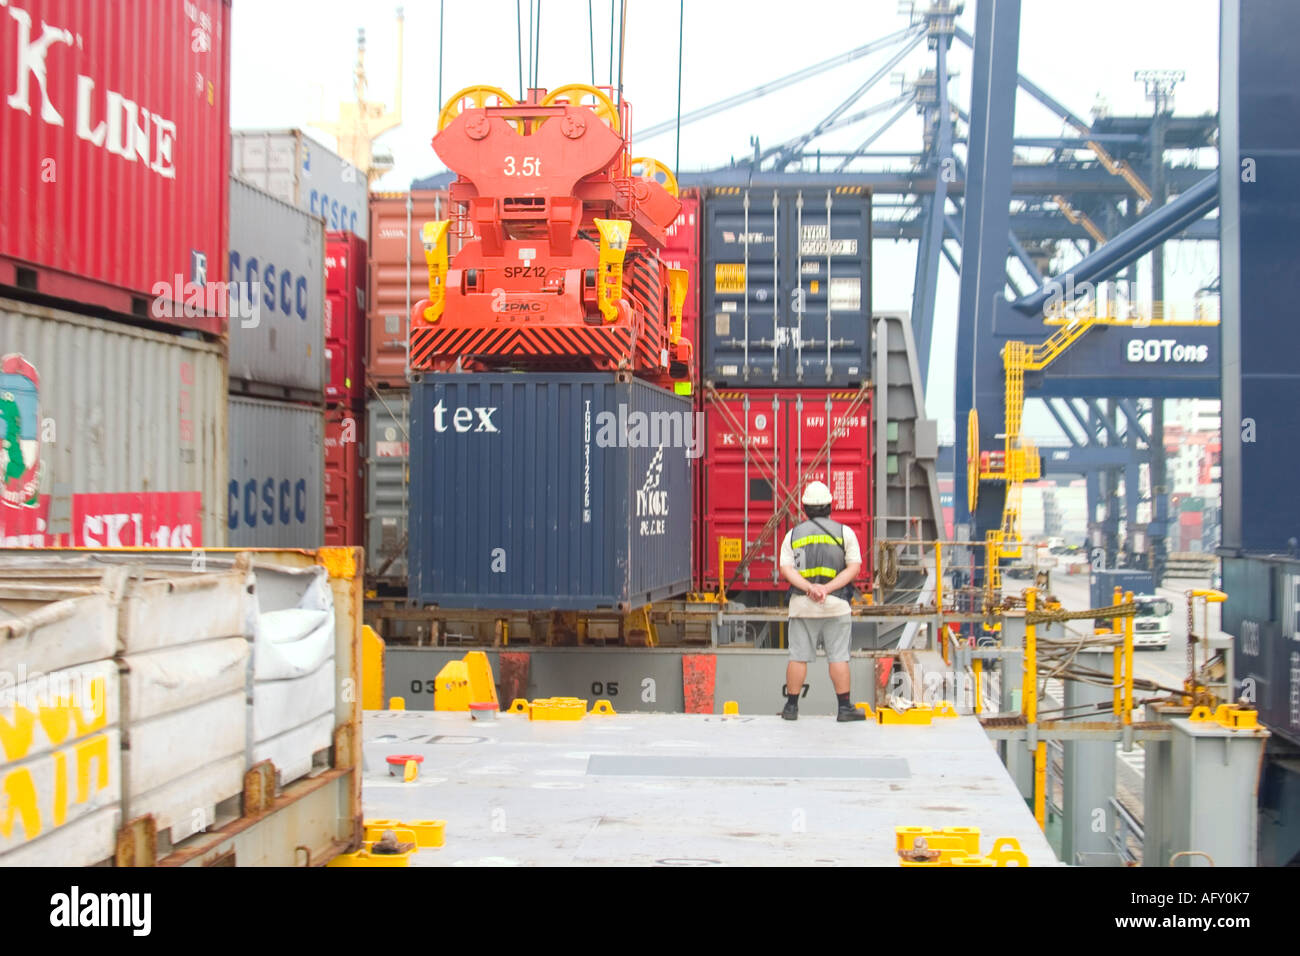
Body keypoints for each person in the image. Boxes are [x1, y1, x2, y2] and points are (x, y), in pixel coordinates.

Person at [778, 480, 866, 722]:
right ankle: (845, 708)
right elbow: (854, 568)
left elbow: (785, 569)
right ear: (830, 505)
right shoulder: (844, 533)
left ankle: (791, 708)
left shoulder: (792, 535)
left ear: (804, 507)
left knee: (798, 656)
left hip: (802, 606)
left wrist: (809, 588)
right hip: (836, 605)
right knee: (838, 656)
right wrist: (826, 589)